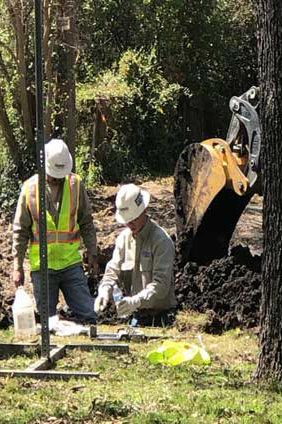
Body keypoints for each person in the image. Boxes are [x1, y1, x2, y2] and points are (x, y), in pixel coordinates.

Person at [11, 139, 100, 323]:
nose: (58, 178)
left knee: (89, 316)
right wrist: (17, 265)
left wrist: (92, 252)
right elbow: (20, 231)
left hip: (70, 264)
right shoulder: (30, 189)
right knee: (47, 323)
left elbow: (86, 222)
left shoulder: (76, 185)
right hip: (43, 268)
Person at [94, 184, 177, 326]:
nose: (129, 224)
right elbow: (113, 270)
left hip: (162, 318)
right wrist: (104, 289)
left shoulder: (161, 241)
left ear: (144, 210)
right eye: (126, 221)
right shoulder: (124, 239)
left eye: (133, 219)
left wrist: (137, 300)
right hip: (137, 317)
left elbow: (161, 286)